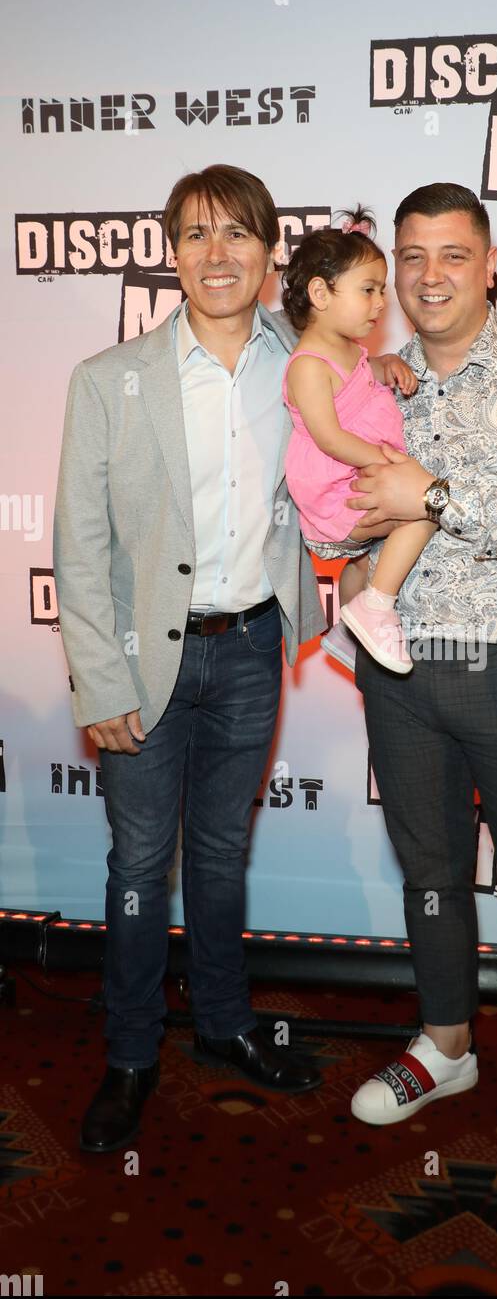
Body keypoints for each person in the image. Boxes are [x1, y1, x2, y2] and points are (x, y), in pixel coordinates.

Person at [307, 183, 497, 1205]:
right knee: (428, 868)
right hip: (396, 669)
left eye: (450, 254)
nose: (427, 275)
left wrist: (429, 496)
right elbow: (329, 504)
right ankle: (446, 1042)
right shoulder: (371, 384)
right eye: (409, 256)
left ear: (489, 265)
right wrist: (345, 544)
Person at [54, 164, 328, 1154]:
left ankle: (223, 1026)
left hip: (252, 645)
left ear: (268, 255)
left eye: (239, 235)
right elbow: (79, 545)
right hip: (140, 659)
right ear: (171, 254)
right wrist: (100, 677)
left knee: (218, 858)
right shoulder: (108, 379)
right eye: (198, 235)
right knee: (137, 865)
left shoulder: (306, 366)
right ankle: (130, 1053)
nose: (219, 253)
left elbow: (358, 441)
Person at [281, 206, 432, 674]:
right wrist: (385, 462)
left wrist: (383, 365)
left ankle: (348, 635)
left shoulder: (348, 348)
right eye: (368, 290)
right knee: (426, 509)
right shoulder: (307, 364)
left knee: (369, 555)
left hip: (358, 471)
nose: (380, 303)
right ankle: (376, 607)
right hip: (337, 480)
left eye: (381, 291)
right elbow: (328, 436)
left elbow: (359, 382)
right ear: (321, 293)